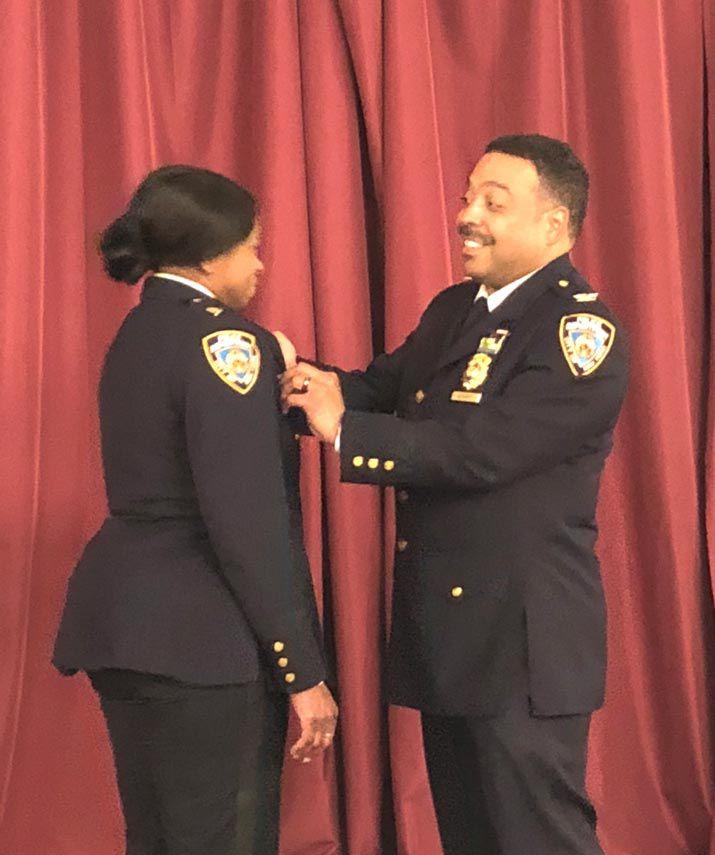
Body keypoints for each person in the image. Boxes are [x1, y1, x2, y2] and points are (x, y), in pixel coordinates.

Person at [282, 135, 628, 854]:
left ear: (553, 225)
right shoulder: (454, 310)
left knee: (536, 837)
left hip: (518, 643)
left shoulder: (576, 330)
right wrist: (291, 378)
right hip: (450, 633)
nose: (467, 214)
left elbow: (484, 450)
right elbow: (379, 386)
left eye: (492, 203)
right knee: (469, 836)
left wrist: (345, 428)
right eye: (467, 196)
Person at [53, 165, 338, 855]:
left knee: (156, 839)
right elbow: (248, 523)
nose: (259, 263)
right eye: (251, 246)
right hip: (205, 640)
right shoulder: (226, 343)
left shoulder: (140, 331)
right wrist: (301, 671)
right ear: (210, 257)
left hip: (127, 626)